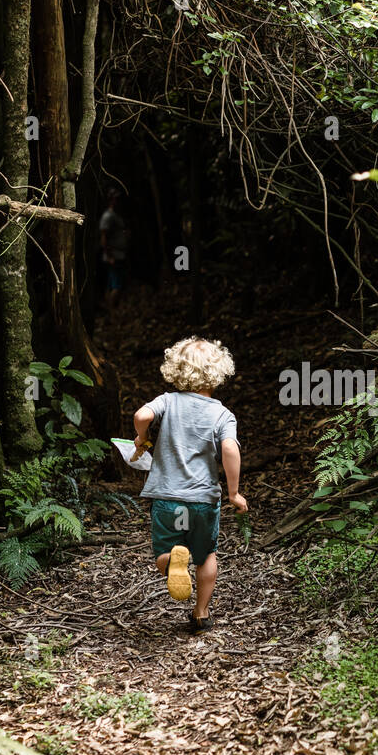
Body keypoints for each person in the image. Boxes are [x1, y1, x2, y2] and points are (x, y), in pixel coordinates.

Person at [130, 337, 248, 633]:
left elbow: (141, 415)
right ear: (219, 372)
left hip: (168, 497)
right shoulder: (222, 414)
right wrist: (233, 493)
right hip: (202, 500)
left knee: (165, 551)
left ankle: (171, 562)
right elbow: (230, 449)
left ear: (176, 369)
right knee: (207, 555)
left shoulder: (166, 401)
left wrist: (141, 437)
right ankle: (201, 613)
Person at [97, 188, 129, 309]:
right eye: (115, 199)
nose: (117, 201)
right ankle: (111, 313)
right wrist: (109, 256)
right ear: (111, 200)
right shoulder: (108, 216)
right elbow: (103, 237)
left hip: (118, 255)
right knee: (116, 286)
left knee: (112, 285)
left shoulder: (115, 215)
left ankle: (111, 312)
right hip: (113, 256)